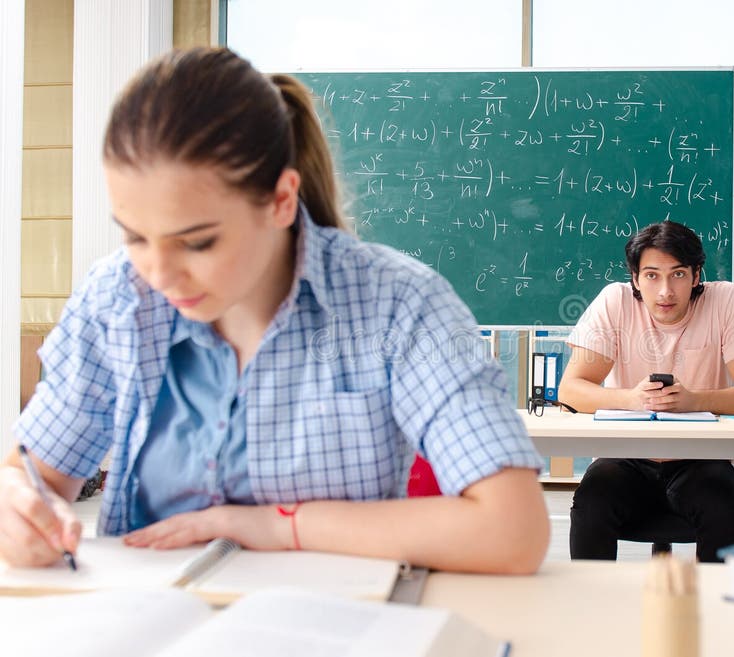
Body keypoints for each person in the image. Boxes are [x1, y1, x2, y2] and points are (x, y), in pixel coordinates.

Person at [0, 47, 549, 574]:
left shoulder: (398, 303)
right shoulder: (114, 299)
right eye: (136, 237)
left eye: (197, 243)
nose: (158, 275)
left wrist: (278, 525)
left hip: (329, 625)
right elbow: (33, 477)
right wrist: (19, 508)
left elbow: (512, 529)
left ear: (282, 200)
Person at [558, 221, 734, 562]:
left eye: (677, 275)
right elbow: (571, 389)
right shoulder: (614, 301)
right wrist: (631, 400)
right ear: (634, 278)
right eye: (651, 276)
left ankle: (717, 609)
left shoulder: (725, 301)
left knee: (720, 504)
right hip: (626, 455)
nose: (665, 291)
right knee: (592, 502)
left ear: (695, 276)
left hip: (701, 455)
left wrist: (696, 400)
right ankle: (591, 609)